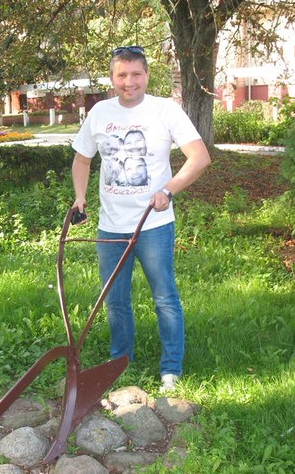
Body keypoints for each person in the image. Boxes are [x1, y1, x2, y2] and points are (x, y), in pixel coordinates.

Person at [71, 45, 211, 392]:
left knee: (164, 297)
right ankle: (119, 362)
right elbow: (82, 159)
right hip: (110, 228)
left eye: (136, 74)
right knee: (115, 300)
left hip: (153, 226)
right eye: (122, 75)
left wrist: (169, 190)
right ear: (112, 78)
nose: (129, 82)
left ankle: (171, 370)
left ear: (147, 75)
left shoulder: (165, 110)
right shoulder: (100, 113)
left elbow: (199, 157)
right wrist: (80, 197)